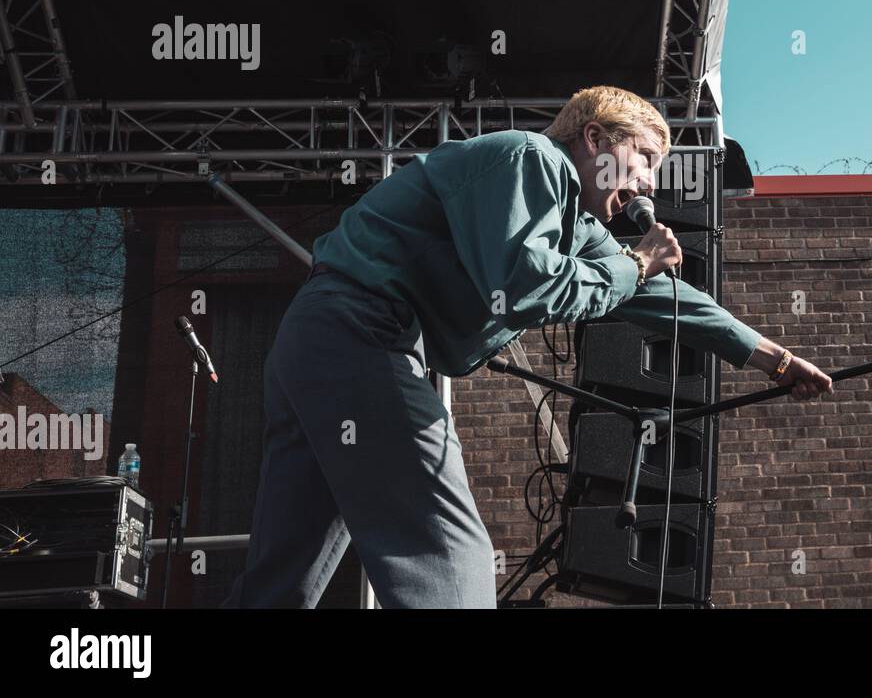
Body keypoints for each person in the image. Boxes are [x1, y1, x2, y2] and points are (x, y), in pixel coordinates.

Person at [222, 85, 833, 609]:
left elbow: (666, 300)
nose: (649, 180)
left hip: (318, 346)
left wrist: (771, 357)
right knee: (447, 548)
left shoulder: (577, 221)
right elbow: (527, 284)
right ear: (594, 139)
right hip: (361, 336)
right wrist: (639, 263)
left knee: (285, 571)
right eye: (644, 157)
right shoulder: (532, 158)